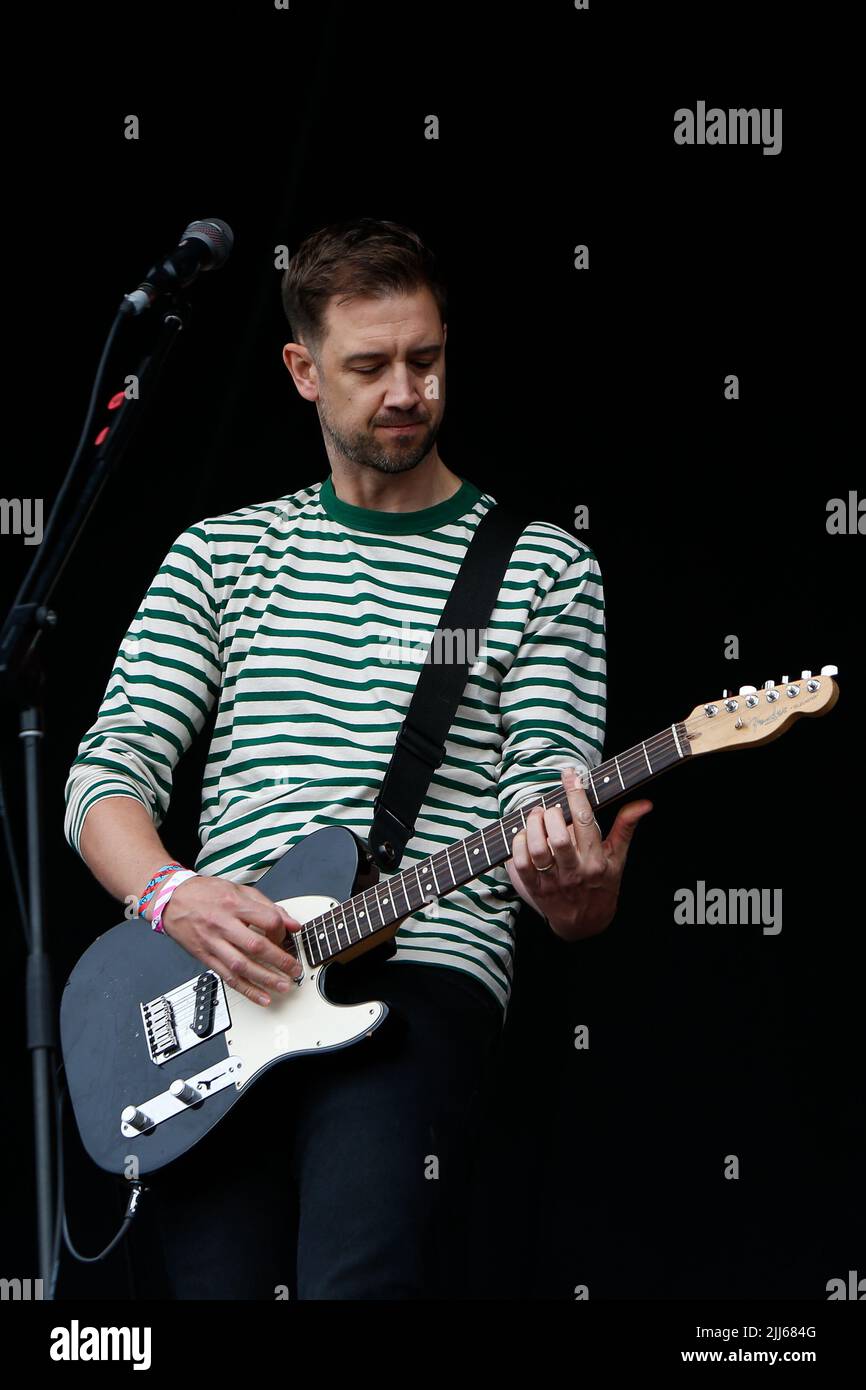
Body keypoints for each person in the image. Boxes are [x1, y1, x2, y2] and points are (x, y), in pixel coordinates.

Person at [63, 217, 651, 1299]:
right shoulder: (221, 554)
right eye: (368, 365)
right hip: (212, 994)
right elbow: (105, 778)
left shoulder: (542, 566)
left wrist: (574, 890)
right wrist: (175, 895)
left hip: (417, 981)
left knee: (357, 1282)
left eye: (424, 360)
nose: (404, 392)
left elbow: (546, 798)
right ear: (301, 369)